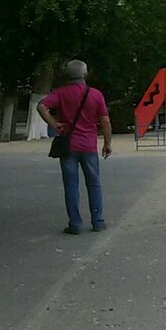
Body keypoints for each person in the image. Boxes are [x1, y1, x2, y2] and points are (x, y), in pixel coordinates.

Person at [37, 60, 112, 235]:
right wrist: (107, 143)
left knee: (71, 185)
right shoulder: (95, 94)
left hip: (68, 145)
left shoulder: (61, 93)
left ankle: (75, 224)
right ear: (85, 74)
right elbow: (105, 121)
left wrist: (54, 124)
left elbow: (41, 106)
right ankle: (98, 221)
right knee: (94, 183)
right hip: (88, 145)